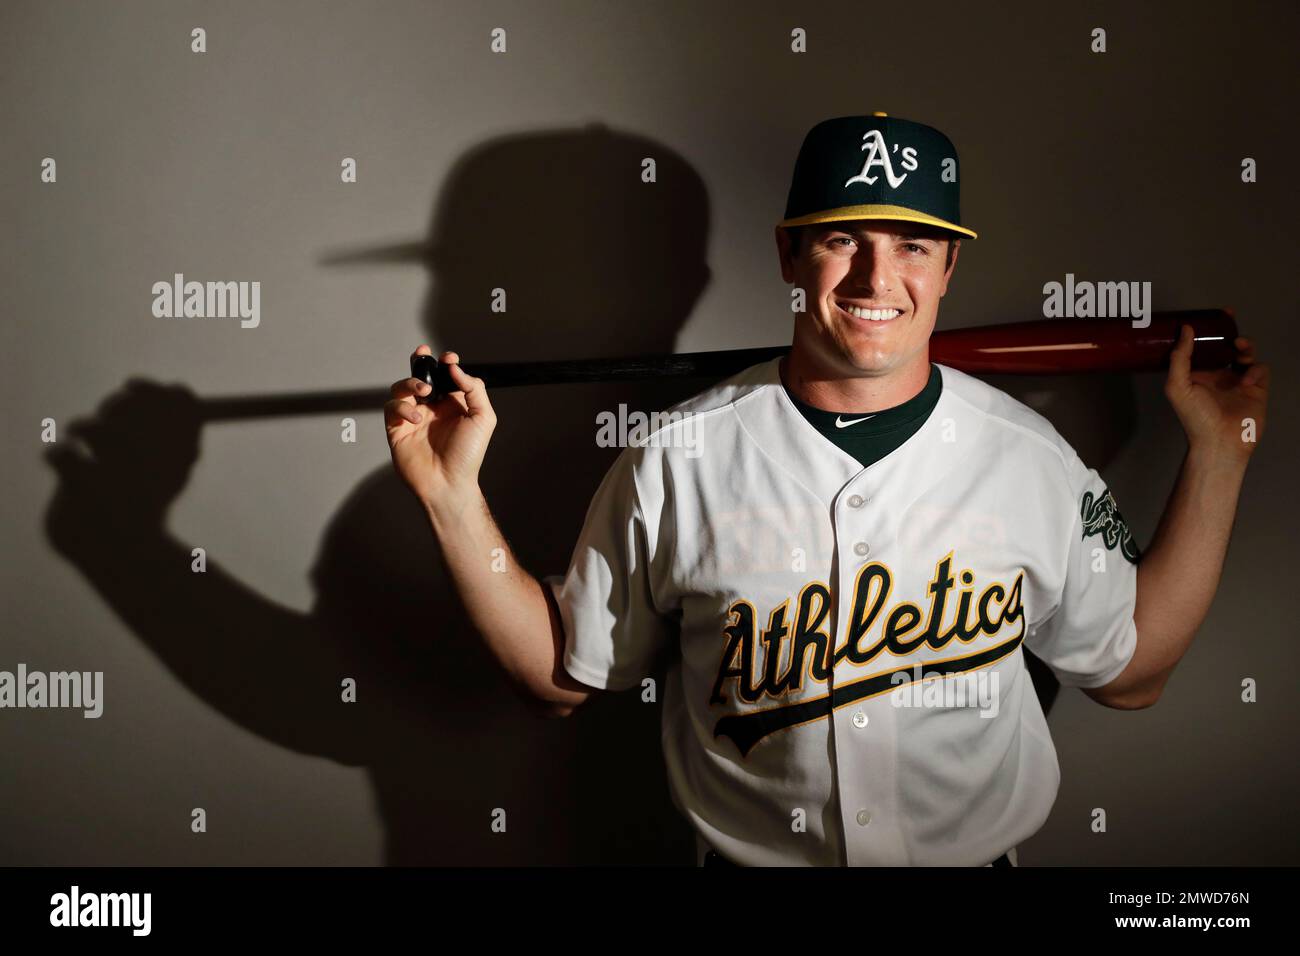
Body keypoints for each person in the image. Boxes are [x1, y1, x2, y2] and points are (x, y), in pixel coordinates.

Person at [384, 114, 1269, 866]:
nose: (877, 281)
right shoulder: (673, 459)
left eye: (913, 245)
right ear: (789, 255)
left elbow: (1133, 675)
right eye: (843, 239)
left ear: (949, 266)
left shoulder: (1029, 458)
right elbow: (559, 677)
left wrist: (1222, 453)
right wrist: (452, 496)